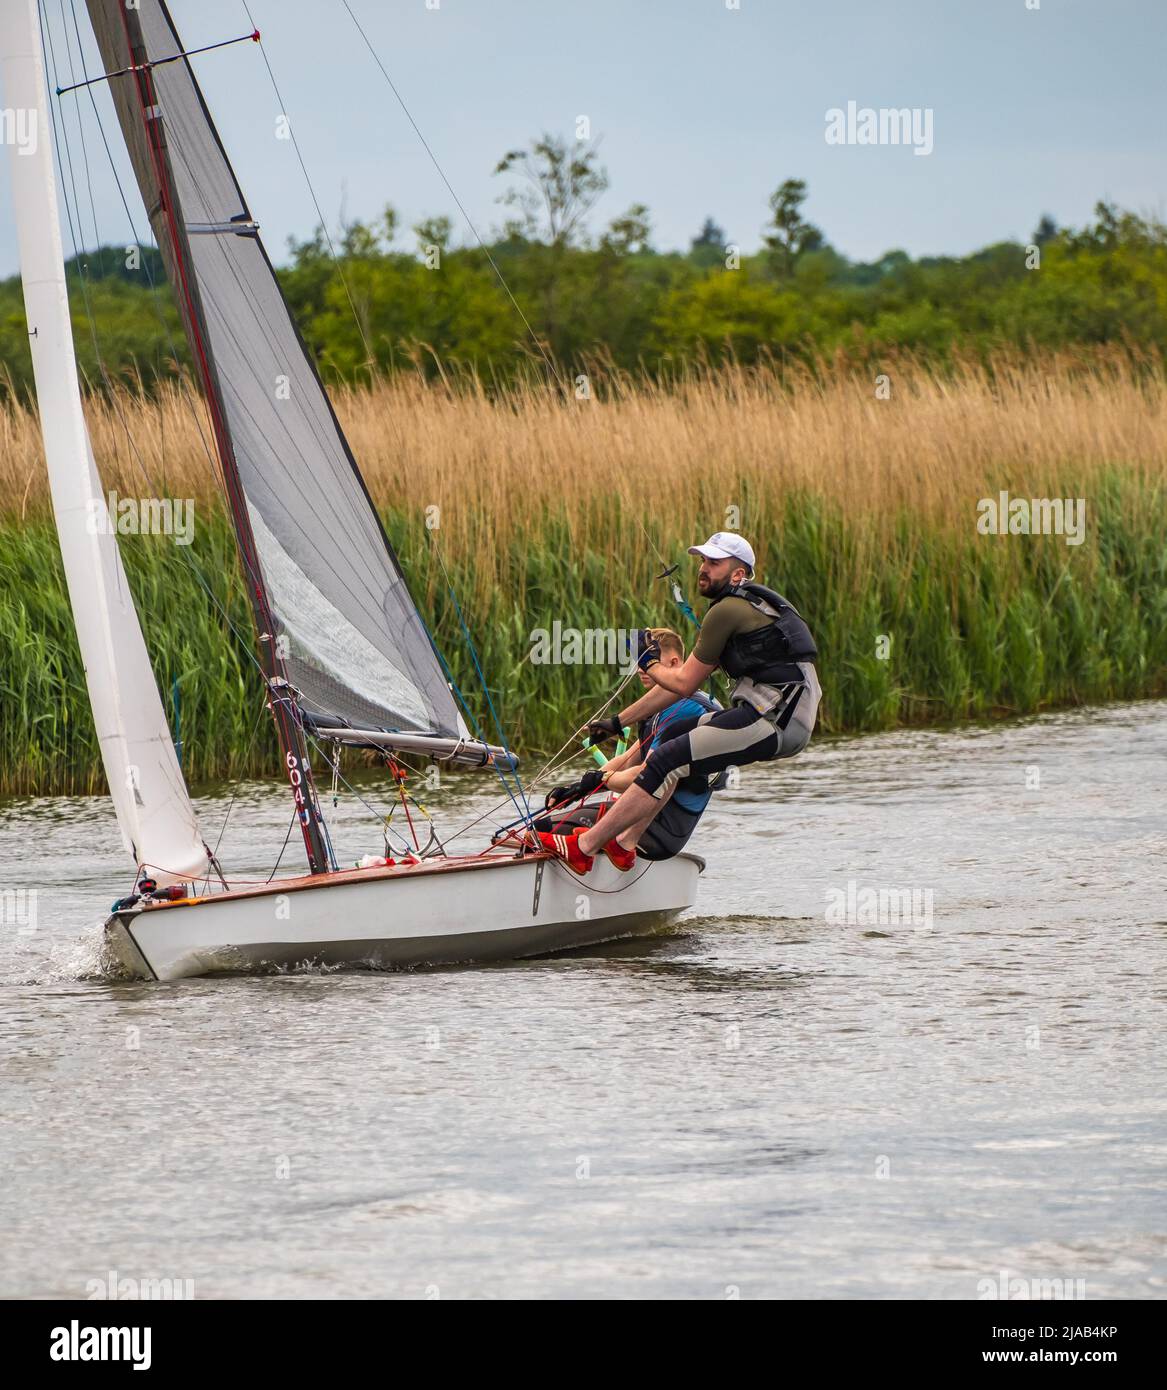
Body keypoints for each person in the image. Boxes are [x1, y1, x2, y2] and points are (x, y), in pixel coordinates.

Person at [538, 532, 820, 873]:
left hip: (774, 720)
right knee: (672, 744)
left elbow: (683, 683)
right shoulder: (738, 609)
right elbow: (680, 686)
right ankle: (624, 845)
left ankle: (584, 847)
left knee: (668, 758)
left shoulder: (729, 610)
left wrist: (648, 662)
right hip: (774, 716)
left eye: (714, 563)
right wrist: (617, 723)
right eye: (703, 561)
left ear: (738, 575)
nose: (703, 569)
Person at [533, 628, 720, 869]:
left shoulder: (685, 708)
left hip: (661, 828)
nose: (641, 669)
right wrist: (576, 788)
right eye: (640, 662)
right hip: (650, 819)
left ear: (674, 662)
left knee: (543, 830)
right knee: (549, 824)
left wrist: (601, 779)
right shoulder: (662, 708)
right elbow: (627, 760)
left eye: (650, 661)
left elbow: (645, 776)